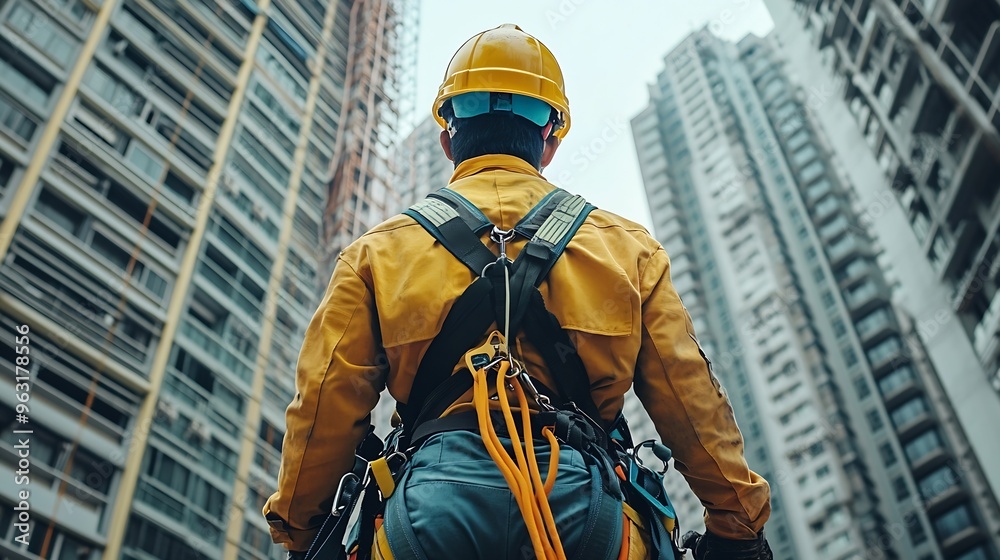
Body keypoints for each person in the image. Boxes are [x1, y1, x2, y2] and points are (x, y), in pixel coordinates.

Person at [264, 23, 771, 560]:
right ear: (549, 142)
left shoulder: (376, 253)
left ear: (447, 138)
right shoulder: (628, 251)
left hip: (422, 523)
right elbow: (689, 399)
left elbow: (324, 403)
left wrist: (301, 534)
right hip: (593, 525)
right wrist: (737, 525)